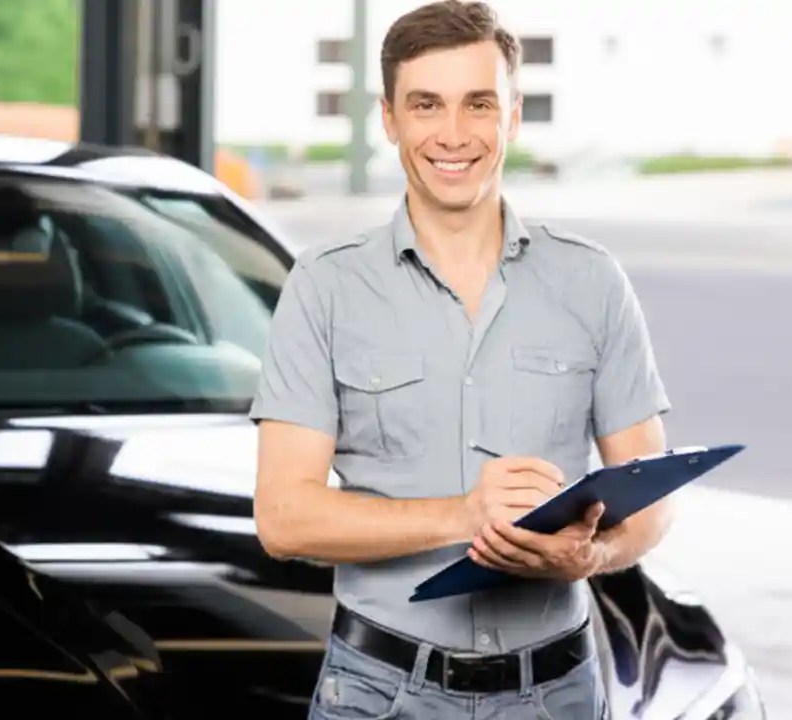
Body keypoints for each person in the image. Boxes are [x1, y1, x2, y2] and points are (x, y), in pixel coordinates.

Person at [250, 2, 673, 717]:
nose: (453, 135)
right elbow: (284, 516)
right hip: (382, 695)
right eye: (426, 105)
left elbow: (651, 497)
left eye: (478, 104)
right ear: (389, 119)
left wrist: (591, 557)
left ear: (511, 116)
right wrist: (465, 515)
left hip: (558, 695)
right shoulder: (325, 287)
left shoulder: (593, 282)